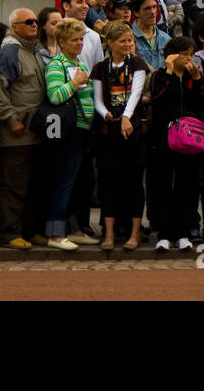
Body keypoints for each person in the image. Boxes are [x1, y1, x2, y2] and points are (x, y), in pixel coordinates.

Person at [0, 8, 49, 250]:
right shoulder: (10, 52)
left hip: (33, 132)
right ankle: (9, 232)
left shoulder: (32, 50)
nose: (35, 25)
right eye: (29, 22)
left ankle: (30, 231)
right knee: (14, 185)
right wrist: (11, 119)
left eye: (35, 21)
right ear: (15, 28)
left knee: (32, 186)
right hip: (16, 133)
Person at [91, 20, 149, 251]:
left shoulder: (137, 63)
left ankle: (134, 233)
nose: (127, 44)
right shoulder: (100, 67)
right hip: (108, 131)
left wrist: (126, 116)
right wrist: (106, 114)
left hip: (133, 129)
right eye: (123, 41)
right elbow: (97, 98)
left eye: (130, 40)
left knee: (135, 181)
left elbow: (136, 94)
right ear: (111, 43)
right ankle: (109, 232)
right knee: (108, 182)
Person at [147, 37, 204, 251]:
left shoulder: (193, 77)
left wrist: (197, 79)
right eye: (184, 54)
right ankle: (165, 233)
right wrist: (171, 73)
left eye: (191, 54)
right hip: (164, 139)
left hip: (189, 139)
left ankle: (184, 232)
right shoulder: (159, 76)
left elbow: (201, 103)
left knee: (187, 186)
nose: (189, 58)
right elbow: (159, 98)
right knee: (163, 186)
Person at [42, 17, 97, 250]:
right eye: (74, 39)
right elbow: (55, 96)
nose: (80, 43)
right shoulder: (56, 65)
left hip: (82, 130)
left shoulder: (80, 64)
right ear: (62, 42)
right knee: (63, 182)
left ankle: (72, 229)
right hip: (67, 132)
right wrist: (74, 83)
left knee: (74, 183)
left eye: (81, 38)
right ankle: (54, 234)